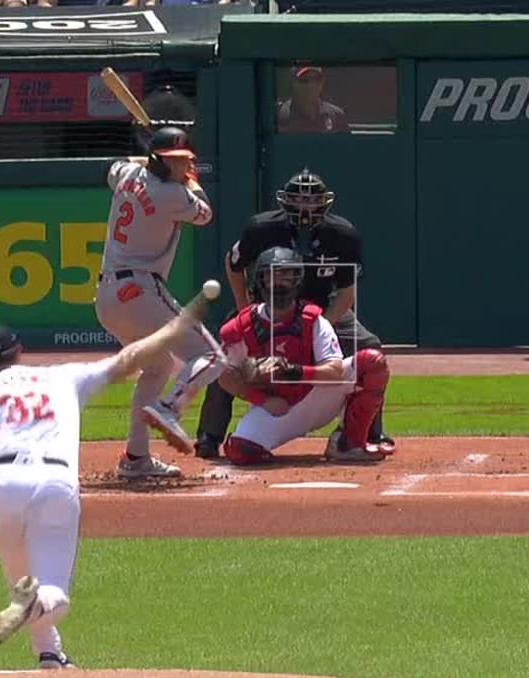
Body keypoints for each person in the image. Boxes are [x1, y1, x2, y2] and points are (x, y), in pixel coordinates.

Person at [0, 289, 217, 669]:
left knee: (24, 582)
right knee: (52, 593)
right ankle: (37, 615)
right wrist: (175, 327)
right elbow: (128, 359)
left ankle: (49, 654)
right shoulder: (61, 377)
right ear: (18, 352)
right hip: (53, 482)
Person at [195, 168, 393, 457]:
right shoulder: (261, 228)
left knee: (369, 346)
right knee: (224, 353)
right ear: (284, 200)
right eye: (299, 199)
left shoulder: (343, 235)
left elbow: (347, 293)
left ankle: (368, 432)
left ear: (325, 202)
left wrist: (318, 326)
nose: (305, 206)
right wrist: (244, 309)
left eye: (312, 200)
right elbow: (234, 264)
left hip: (322, 307)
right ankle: (209, 435)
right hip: (268, 305)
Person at [94, 125, 225, 479]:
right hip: (139, 291)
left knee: (158, 366)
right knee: (212, 356)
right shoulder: (172, 194)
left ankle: (136, 458)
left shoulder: (128, 174)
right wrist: (192, 180)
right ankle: (170, 408)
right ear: (159, 161)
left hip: (108, 298)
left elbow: (112, 167)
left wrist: (147, 160)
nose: (184, 165)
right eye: (176, 160)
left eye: (186, 160)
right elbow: (205, 213)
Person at [214, 246, 390, 465]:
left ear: (297, 280)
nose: (279, 283)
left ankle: (348, 444)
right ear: (261, 281)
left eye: (286, 276)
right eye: (272, 276)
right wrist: (262, 400)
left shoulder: (313, 320)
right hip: (278, 408)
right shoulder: (241, 327)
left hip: (317, 395)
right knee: (240, 451)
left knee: (372, 363)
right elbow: (225, 377)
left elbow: (335, 371)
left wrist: (295, 372)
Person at [276, 67, 350, 135]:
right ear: (293, 82)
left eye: (316, 79)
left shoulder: (336, 116)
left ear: (322, 82)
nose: (310, 85)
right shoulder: (279, 117)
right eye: (304, 80)